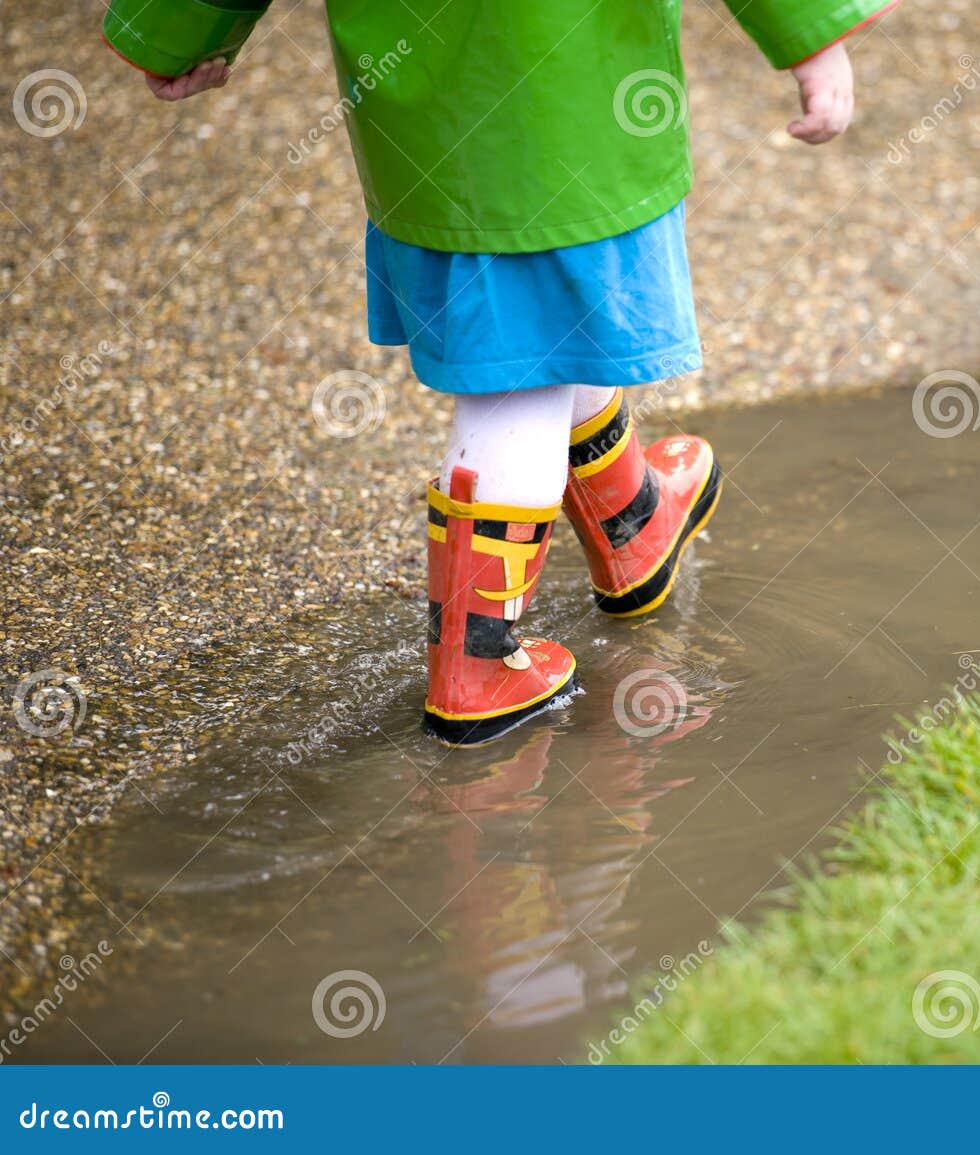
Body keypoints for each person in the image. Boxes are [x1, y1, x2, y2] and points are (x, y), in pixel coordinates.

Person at [105, 0, 897, 745]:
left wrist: (175, 28)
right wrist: (810, 34)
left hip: (424, 127)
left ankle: (633, 521)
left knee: (550, 327)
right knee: (519, 377)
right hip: (572, 114)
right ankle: (476, 667)